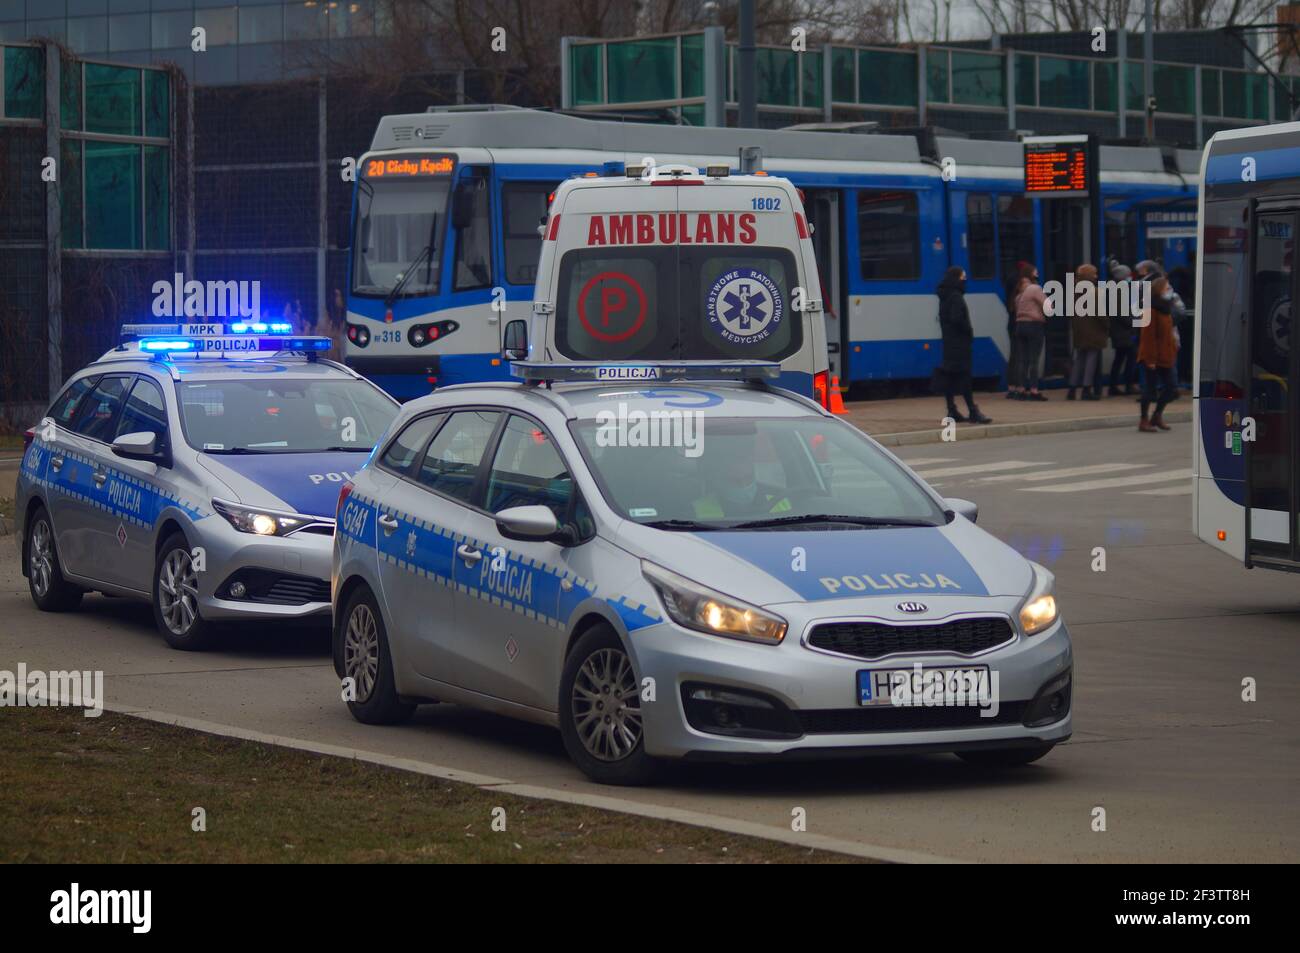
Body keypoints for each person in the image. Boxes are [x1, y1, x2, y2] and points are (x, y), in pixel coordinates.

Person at [936, 266, 992, 424]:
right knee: (965, 377)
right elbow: (957, 319)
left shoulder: (944, 296)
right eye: (963, 277)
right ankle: (973, 411)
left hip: (948, 342)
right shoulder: (956, 296)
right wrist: (968, 330)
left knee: (950, 376)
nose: (965, 280)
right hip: (959, 343)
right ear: (957, 279)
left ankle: (951, 409)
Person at [692, 433, 792, 520]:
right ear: (720, 480)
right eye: (735, 481)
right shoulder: (698, 509)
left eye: (748, 478)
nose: (744, 486)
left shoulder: (780, 502)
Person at [1138, 276, 1179, 432]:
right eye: (1166, 288)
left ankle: (1157, 415)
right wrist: (1150, 359)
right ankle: (1144, 420)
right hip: (1152, 356)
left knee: (1171, 387)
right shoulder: (1150, 309)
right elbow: (1147, 337)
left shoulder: (1165, 308)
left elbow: (1169, 333)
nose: (1169, 290)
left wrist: (1173, 349)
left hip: (1166, 355)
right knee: (1150, 390)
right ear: (1159, 290)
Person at [1068, 263, 1108, 401]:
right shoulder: (1095, 291)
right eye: (1094, 274)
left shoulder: (1073, 290)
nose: (1096, 276)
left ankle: (1072, 389)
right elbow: (1100, 313)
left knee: (1079, 358)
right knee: (1091, 358)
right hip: (1093, 329)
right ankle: (1086, 389)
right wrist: (1107, 325)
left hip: (1079, 328)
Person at [1013, 262, 1049, 400]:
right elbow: (1047, 306)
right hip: (1034, 325)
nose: (1037, 273)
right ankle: (1034, 391)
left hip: (1020, 326)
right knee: (1034, 360)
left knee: (1022, 360)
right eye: (1035, 271)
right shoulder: (1035, 288)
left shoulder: (1020, 292)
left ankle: (1021, 390)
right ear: (1031, 274)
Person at [1107, 261, 1138, 396]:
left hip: (1119, 331)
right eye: (1128, 275)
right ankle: (1127, 385)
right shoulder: (1117, 291)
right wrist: (1133, 323)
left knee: (1119, 359)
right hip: (1123, 331)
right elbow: (1121, 313)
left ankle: (1114, 385)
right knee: (1129, 358)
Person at [1004, 260, 1030, 399]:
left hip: (1013, 324)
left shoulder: (1012, 297)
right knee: (1022, 356)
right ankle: (1021, 387)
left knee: (1014, 356)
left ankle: (1011, 387)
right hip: (1023, 325)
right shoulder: (1025, 293)